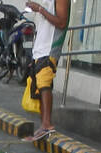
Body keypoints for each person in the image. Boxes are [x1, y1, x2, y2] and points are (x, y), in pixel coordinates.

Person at [22, 0, 69, 144]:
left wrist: (40, 9)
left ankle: (47, 124)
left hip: (49, 49)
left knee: (44, 84)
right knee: (38, 87)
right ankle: (43, 125)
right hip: (40, 49)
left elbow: (61, 23)